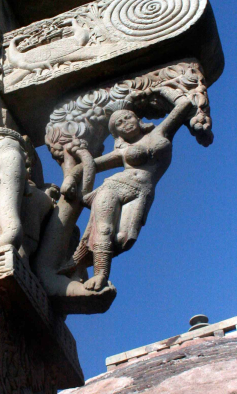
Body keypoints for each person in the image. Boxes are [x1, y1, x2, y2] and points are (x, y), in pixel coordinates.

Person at [60, 97, 194, 290]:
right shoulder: (123, 152)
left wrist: (155, 91)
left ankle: (76, 264)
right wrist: (70, 179)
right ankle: (101, 274)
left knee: (123, 239)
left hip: (142, 191)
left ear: (138, 119)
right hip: (113, 187)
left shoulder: (161, 131)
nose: (125, 124)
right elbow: (88, 166)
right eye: (118, 124)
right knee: (104, 229)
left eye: (127, 118)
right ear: (117, 134)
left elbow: (184, 104)